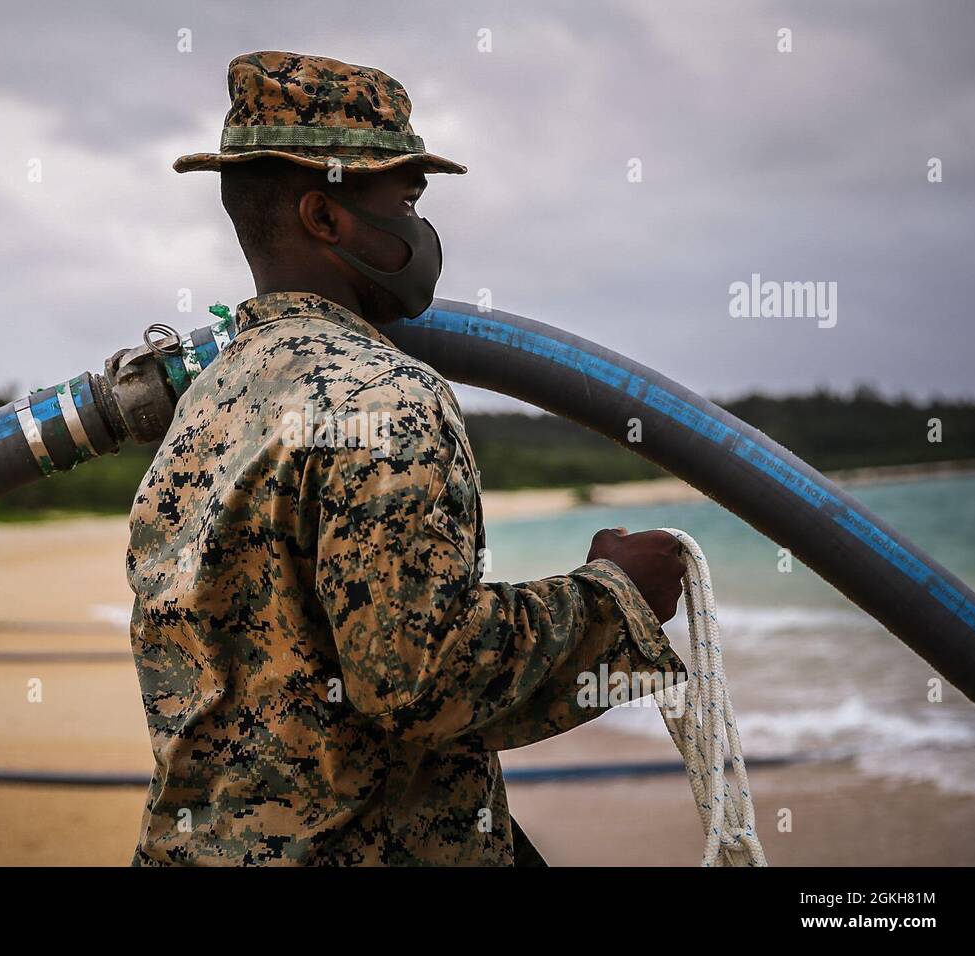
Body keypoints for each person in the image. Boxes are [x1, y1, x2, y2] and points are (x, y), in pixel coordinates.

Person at [126, 50, 687, 866]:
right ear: (325, 217)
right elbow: (419, 677)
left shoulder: (204, 401)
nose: (423, 231)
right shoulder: (385, 397)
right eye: (408, 199)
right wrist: (615, 601)